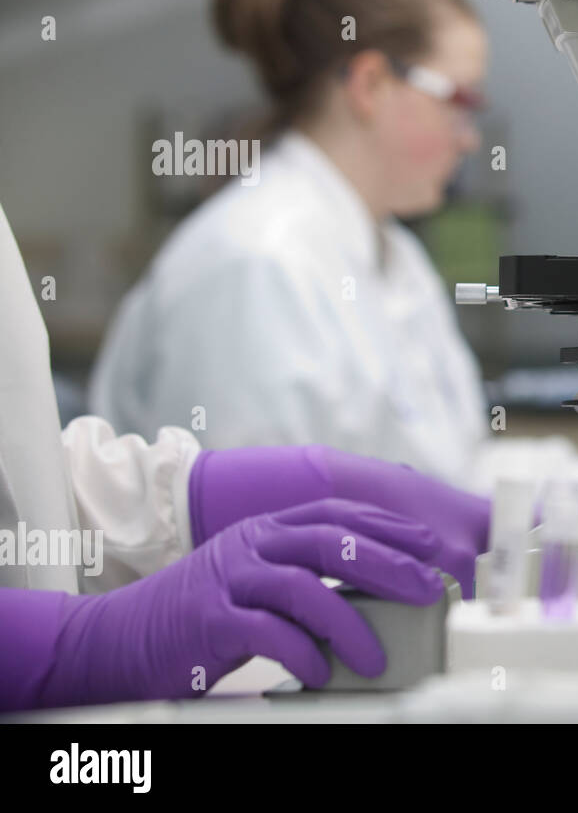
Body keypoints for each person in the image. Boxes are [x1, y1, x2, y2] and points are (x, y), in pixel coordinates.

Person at [89, 0, 578, 498]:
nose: (470, 137)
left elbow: (450, 476)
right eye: (458, 102)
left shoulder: (391, 256)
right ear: (369, 84)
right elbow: (250, 539)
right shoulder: (258, 264)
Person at [0, 195, 489, 711]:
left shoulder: (388, 250)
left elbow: (18, 491)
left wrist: (205, 496)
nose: (472, 118)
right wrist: (70, 646)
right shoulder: (255, 258)